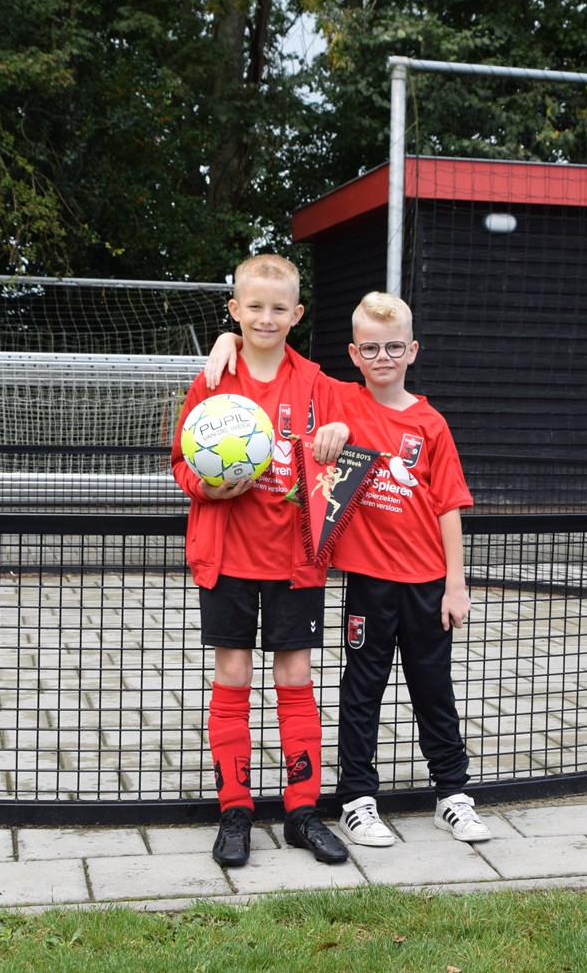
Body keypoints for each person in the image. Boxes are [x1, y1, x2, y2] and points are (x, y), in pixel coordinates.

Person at [204, 291, 491, 847]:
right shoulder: (341, 401)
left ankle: (453, 794)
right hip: (367, 581)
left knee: (433, 688)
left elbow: (449, 505)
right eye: (369, 349)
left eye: (392, 347)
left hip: (429, 584)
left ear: (411, 350)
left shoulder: (431, 423)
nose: (381, 357)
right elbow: (275, 351)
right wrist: (230, 338)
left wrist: (456, 584)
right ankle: (358, 799)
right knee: (362, 689)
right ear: (354, 355)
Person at [171, 254, 351, 869]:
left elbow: (358, 429)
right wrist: (205, 487)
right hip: (227, 556)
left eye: (279, 308)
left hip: (296, 560)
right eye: (254, 308)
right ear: (235, 311)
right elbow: (179, 461)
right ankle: (235, 811)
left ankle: (302, 812)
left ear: (297, 314)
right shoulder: (214, 380)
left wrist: (340, 437)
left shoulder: (320, 386)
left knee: (295, 680)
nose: (266, 318)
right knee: (234, 677)